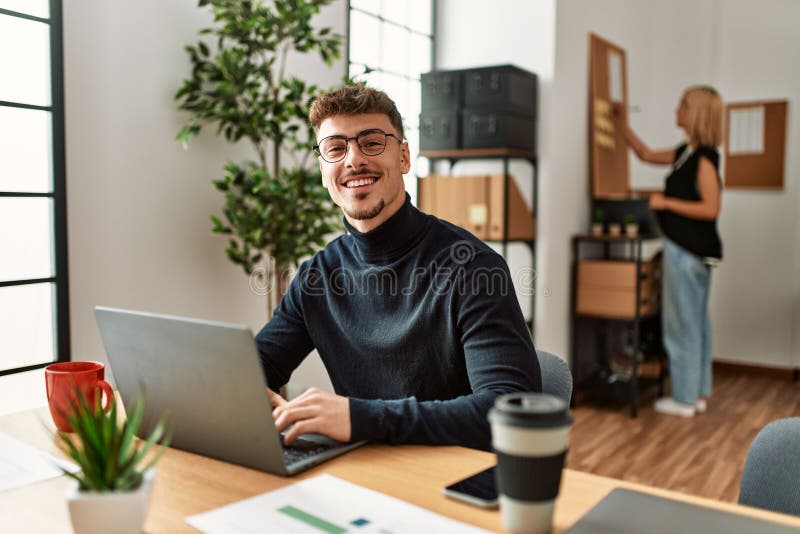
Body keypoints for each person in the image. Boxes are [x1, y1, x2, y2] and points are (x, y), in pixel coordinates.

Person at [255, 83, 541, 450]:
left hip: (453, 481)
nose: (353, 159)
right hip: (362, 471)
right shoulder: (316, 276)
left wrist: (359, 418)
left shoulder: (475, 270)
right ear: (323, 169)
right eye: (335, 148)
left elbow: (508, 410)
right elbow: (255, 368)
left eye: (371, 142)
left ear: (404, 157)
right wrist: (243, 391)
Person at [619, 86, 724, 418]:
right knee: (697, 325)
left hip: (687, 253)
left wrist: (664, 202)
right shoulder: (685, 152)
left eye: (682, 105)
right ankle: (699, 394)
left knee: (681, 327)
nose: (675, 110)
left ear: (695, 114)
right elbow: (646, 154)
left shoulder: (704, 158)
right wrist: (621, 124)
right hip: (692, 253)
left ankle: (683, 399)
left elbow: (711, 208)